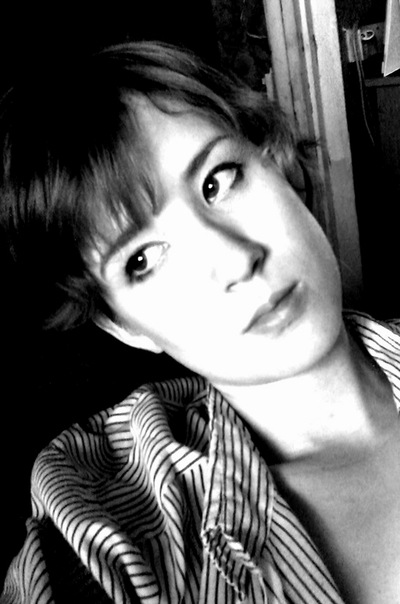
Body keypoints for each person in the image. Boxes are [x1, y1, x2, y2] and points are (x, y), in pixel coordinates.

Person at [1, 41, 399, 604]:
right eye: (143, 259)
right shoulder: (109, 544)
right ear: (122, 326)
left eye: (219, 180)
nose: (236, 261)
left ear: (275, 164)